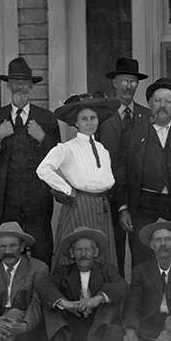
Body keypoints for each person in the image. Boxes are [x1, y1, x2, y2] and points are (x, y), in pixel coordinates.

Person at [115, 77, 171, 266]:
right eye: (157, 101)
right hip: (144, 205)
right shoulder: (133, 135)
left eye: (167, 101)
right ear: (150, 104)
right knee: (143, 257)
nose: (162, 106)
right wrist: (123, 208)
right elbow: (122, 174)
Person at [0, 57, 60, 266]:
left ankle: (40, 298)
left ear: (31, 86)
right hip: (6, 201)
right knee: (9, 255)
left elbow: (59, 160)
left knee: (42, 252)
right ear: (8, 85)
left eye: (25, 83)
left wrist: (43, 138)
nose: (20, 87)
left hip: (38, 200)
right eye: (15, 82)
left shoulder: (46, 118)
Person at [38, 93, 119, 272]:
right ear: (76, 123)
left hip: (102, 205)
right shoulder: (67, 148)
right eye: (84, 119)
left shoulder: (102, 149)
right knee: (78, 251)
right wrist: (68, 190)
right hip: (80, 205)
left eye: (93, 118)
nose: (90, 123)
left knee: (102, 253)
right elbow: (43, 169)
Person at [36, 227, 126, 341]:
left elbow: (122, 286)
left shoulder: (107, 269)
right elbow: (44, 285)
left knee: (109, 301)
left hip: (98, 331)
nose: (83, 254)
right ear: (72, 253)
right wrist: (66, 304)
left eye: (87, 250)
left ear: (95, 252)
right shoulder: (64, 271)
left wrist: (96, 299)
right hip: (71, 330)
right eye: (78, 250)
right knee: (51, 302)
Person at [96, 56, 152, 271]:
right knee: (112, 252)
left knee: (142, 250)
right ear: (114, 83)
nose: (129, 86)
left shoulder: (147, 116)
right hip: (109, 194)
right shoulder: (101, 116)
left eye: (133, 81)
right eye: (124, 81)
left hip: (139, 194)